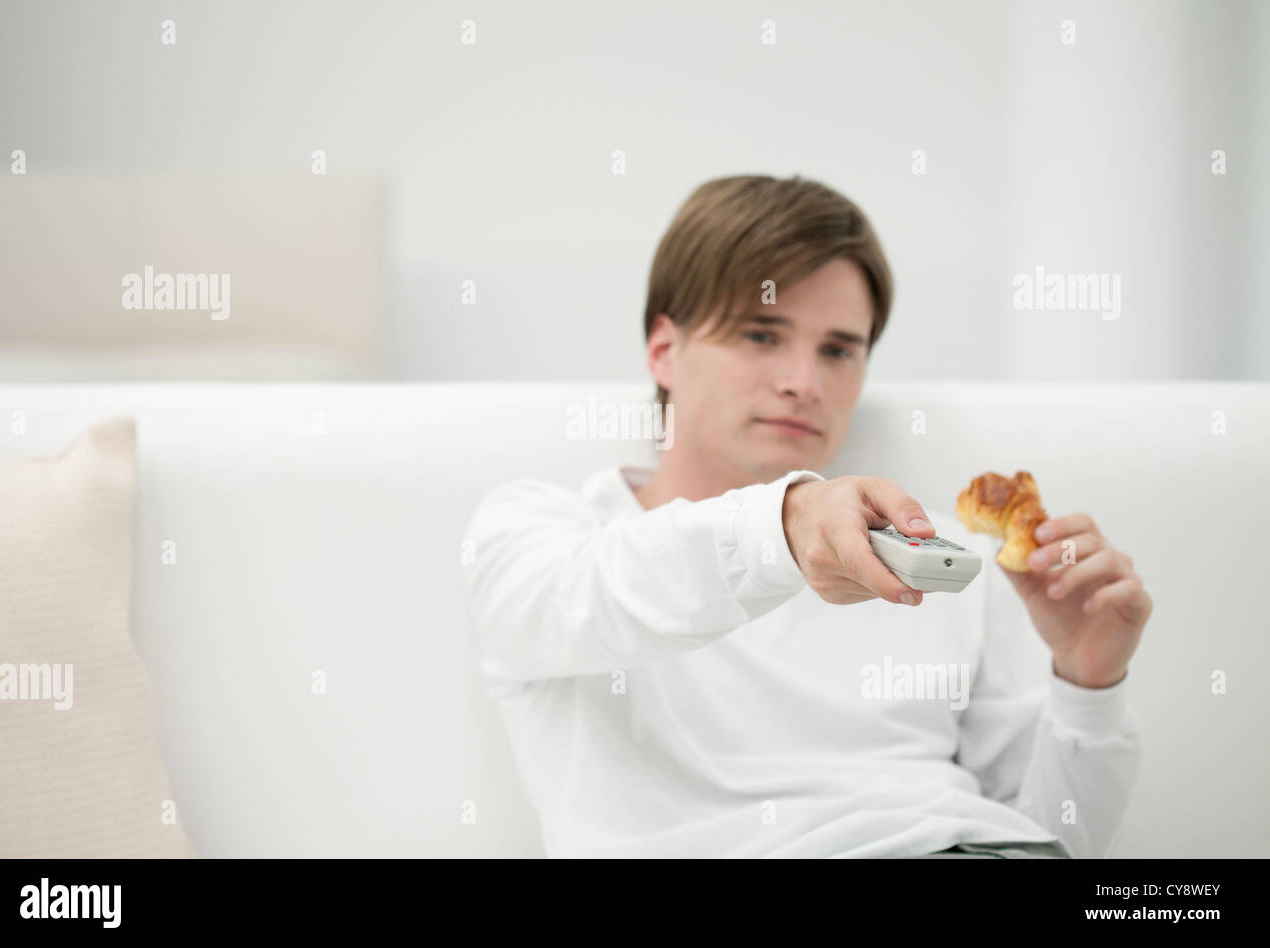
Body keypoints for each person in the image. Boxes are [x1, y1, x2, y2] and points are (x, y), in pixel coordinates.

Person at [460, 174, 1152, 858]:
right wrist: (786, 526)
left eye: (838, 350)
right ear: (663, 350)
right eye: (762, 335)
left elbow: (1053, 840)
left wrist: (1088, 683)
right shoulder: (541, 537)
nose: (804, 382)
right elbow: (606, 594)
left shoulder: (937, 552)